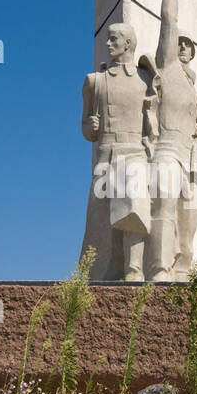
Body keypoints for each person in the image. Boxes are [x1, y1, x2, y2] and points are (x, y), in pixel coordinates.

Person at [80, 21, 155, 281]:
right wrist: (90, 126)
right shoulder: (95, 81)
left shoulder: (147, 79)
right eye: (108, 38)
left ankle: (134, 271)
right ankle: (103, 277)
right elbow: (87, 131)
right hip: (106, 152)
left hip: (135, 151)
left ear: (128, 43)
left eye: (114, 39)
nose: (108, 43)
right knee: (102, 221)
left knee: (133, 211)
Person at [145, 0, 197, 282]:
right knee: (164, 209)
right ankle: (158, 268)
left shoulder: (193, 89)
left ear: (193, 52)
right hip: (167, 150)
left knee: (188, 220)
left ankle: (182, 270)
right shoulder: (167, 66)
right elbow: (168, 22)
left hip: (189, 157)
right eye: (178, 43)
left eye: (187, 44)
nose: (181, 46)